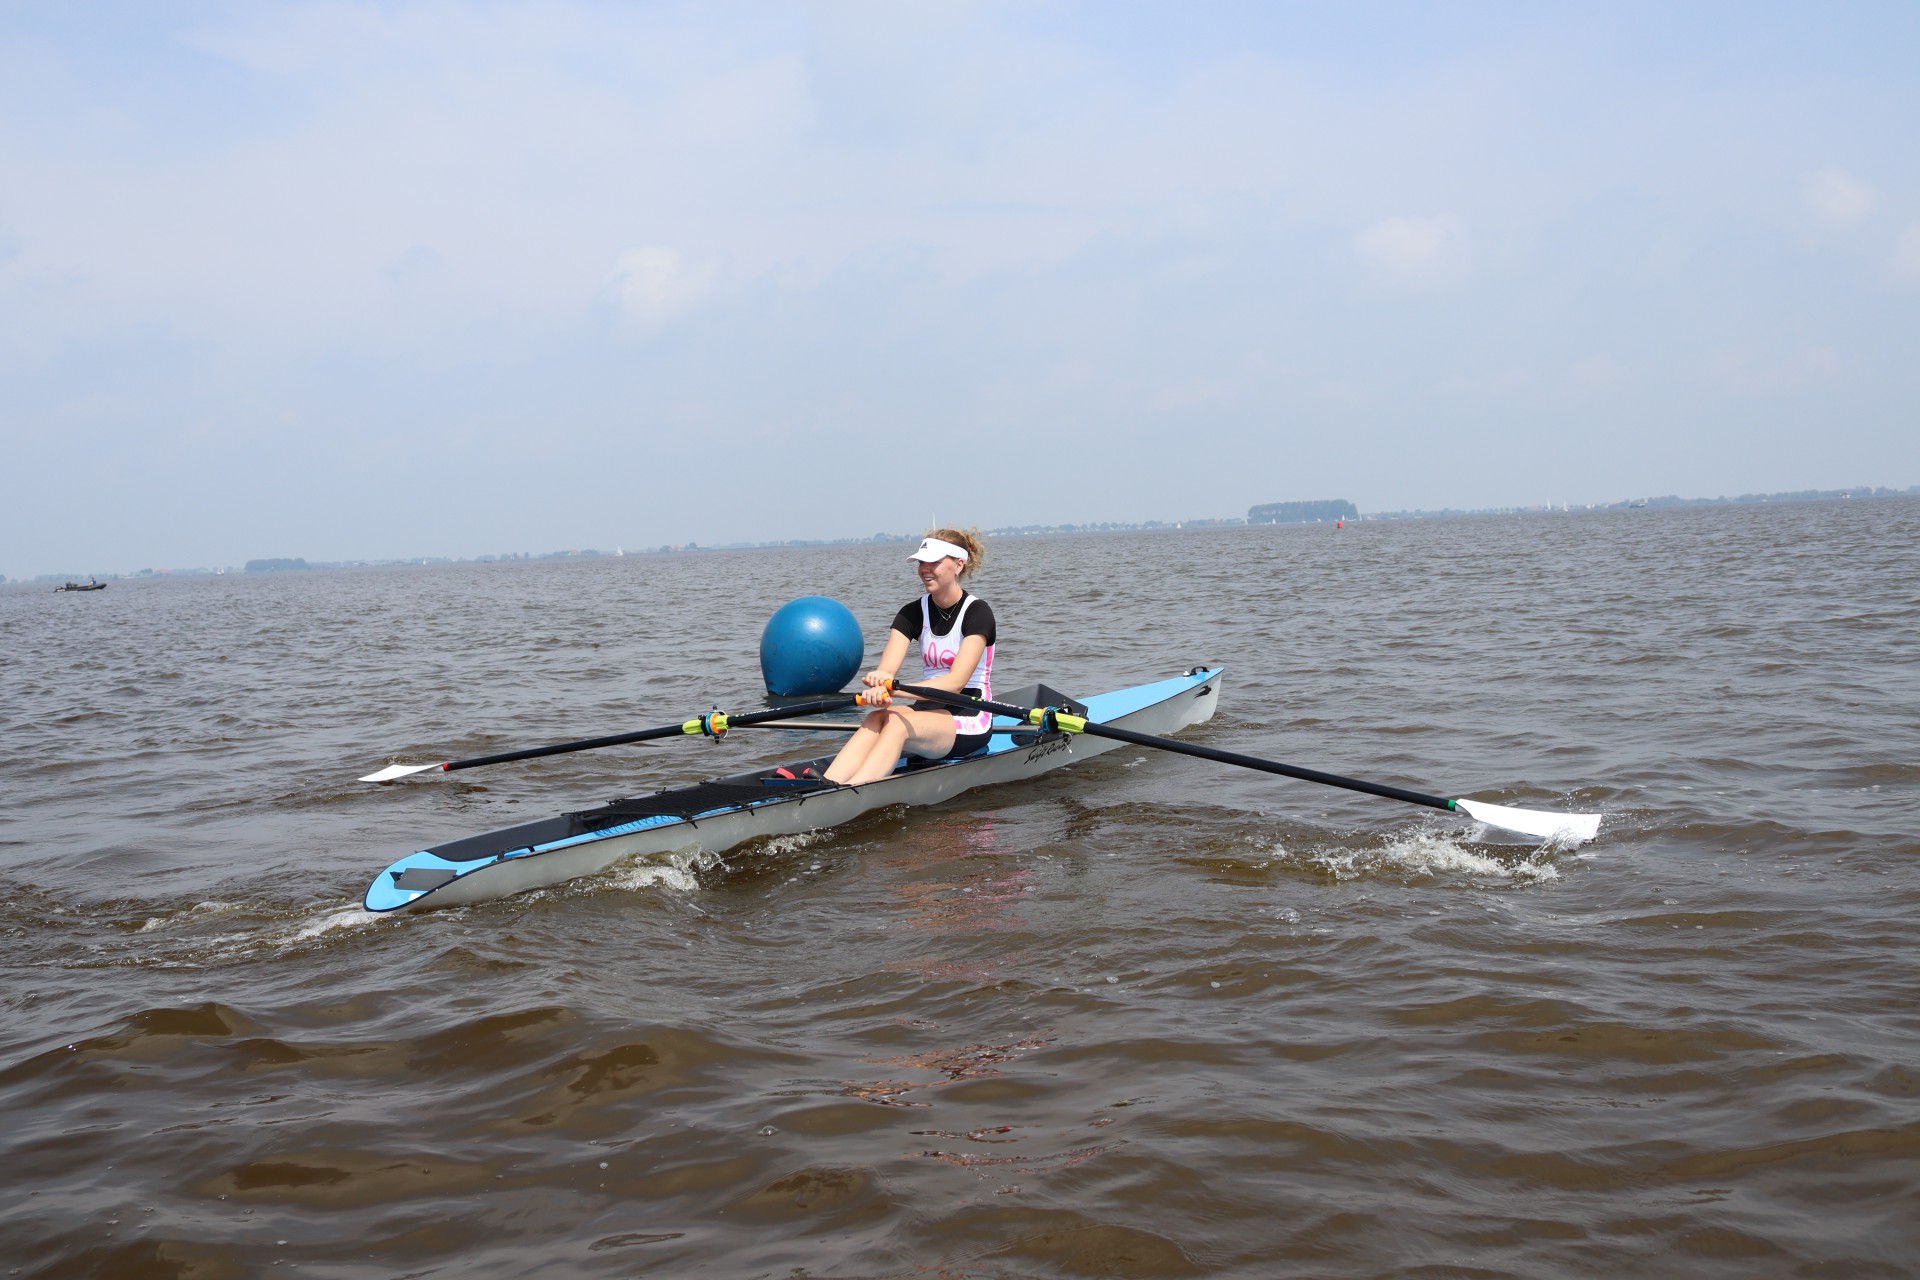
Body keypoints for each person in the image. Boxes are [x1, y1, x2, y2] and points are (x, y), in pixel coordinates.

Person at [823, 528, 997, 786]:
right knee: (876, 717)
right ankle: (827, 786)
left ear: (959, 565)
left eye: (934, 562)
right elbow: (887, 671)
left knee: (897, 725)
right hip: (928, 710)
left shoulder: (978, 613)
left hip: (969, 713)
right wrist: (880, 683)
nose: (925, 569)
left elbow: (954, 683)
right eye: (921, 562)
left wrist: (895, 691)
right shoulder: (912, 612)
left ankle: (851, 792)